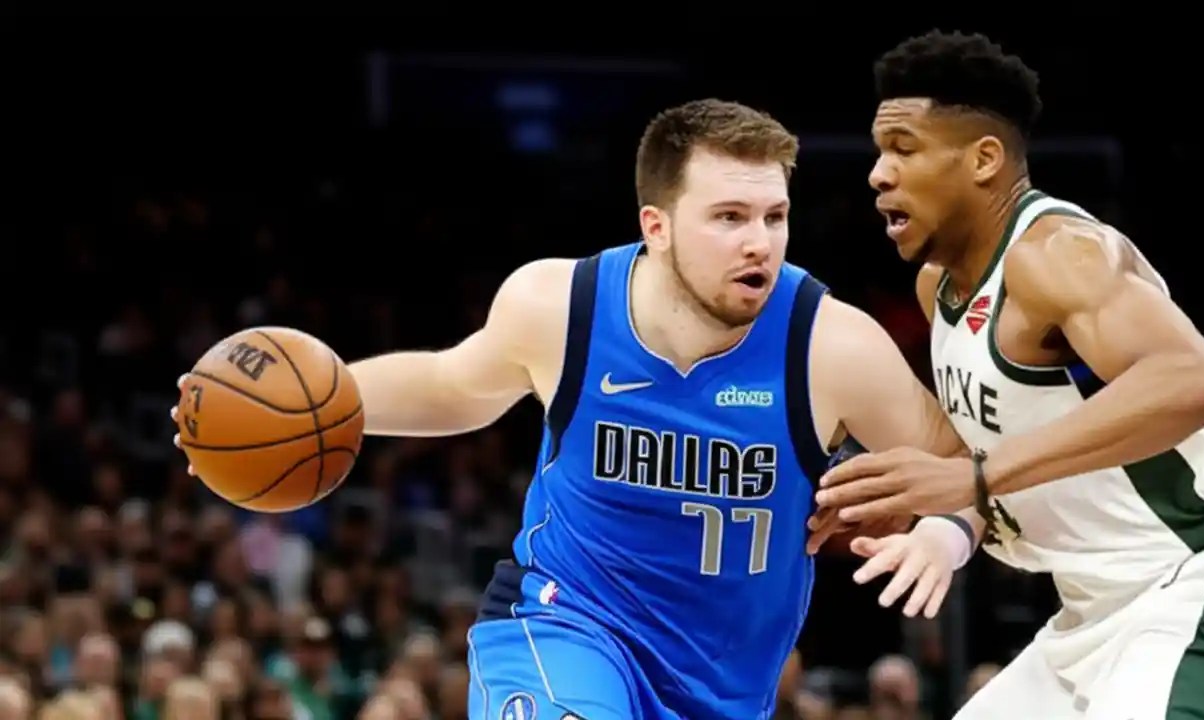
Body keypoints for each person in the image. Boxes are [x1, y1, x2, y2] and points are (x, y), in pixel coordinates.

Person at [297, 99, 964, 719]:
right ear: (658, 226)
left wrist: (945, 532)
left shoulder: (830, 347)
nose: (759, 241)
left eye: (774, 216)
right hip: (566, 623)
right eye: (730, 217)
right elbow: (452, 386)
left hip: (722, 685)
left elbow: (969, 467)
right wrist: (311, 410)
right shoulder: (562, 306)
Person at [815, 30, 1204, 719]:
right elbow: (1003, 456)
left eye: (904, 149)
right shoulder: (936, 288)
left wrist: (973, 478)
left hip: (1201, 590)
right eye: (881, 151)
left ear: (984, 159)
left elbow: (1195, 381)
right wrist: (948, 526)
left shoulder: (1059, 254)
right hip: (1086, 616)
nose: (878, 173)